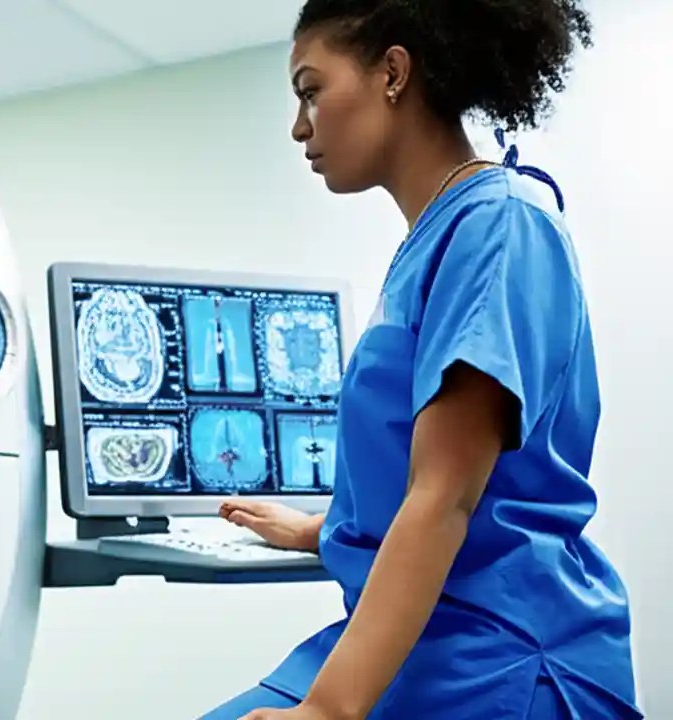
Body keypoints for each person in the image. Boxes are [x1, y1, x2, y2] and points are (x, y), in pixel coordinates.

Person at [201, 1, 642, 719]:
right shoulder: (439, 234)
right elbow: (440, 487)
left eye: (311, 90)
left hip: (502, 649)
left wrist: (323, 713)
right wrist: (323, 529)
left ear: (394, 73)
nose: (299, 126)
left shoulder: (499, 224)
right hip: (434, 625)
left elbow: (447, 496)